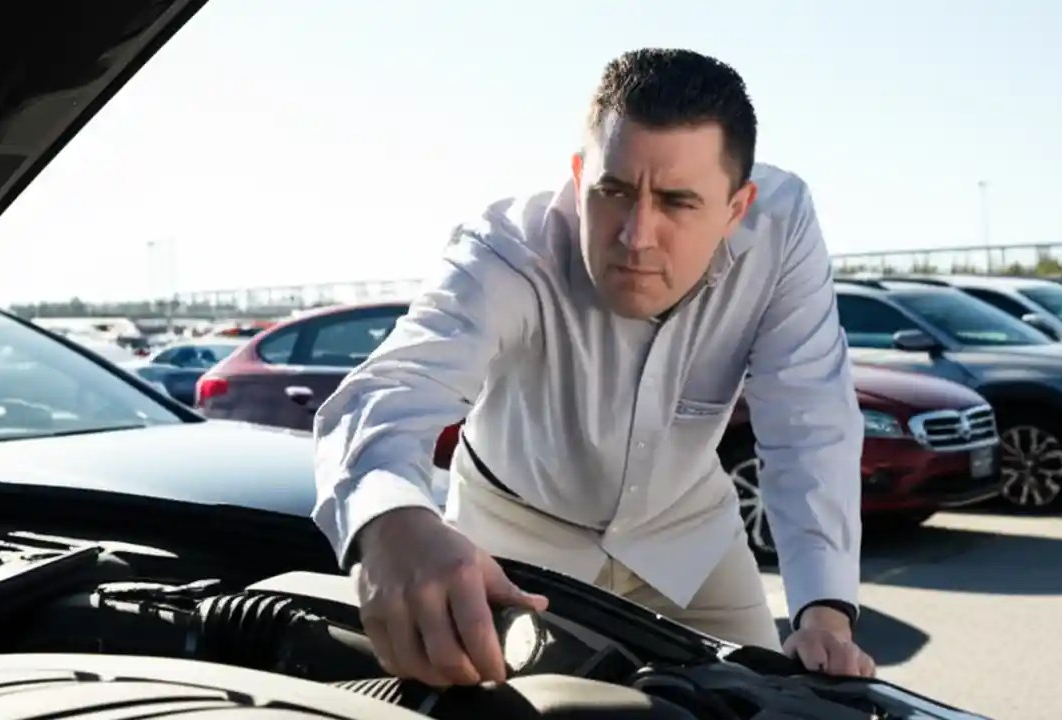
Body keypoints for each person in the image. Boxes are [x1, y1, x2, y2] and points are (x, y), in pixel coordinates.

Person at [313, 47, 872, 688]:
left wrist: (826, 613)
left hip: (693, 541)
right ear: (580, 177)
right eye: (613, 191)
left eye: (678, 202)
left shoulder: (783, 228)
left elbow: (809, 417)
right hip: (513, 551)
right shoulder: (505, 249)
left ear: (737, 208)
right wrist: (392, 523)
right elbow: (392, 387)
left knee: (764, 703)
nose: (637, 235)